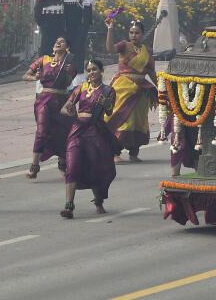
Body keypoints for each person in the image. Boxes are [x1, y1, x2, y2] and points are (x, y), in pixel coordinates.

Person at [60, 59, 120, 218]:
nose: (91, 73)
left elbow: (108, 112)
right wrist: (70, 111)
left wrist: (106, 104)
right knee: (72, 166)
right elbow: (64, 109)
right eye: (89, 70)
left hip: (95, 133)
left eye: (94, 69)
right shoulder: (81, 88)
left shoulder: (108, 91)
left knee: (94, 168)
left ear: (101, 71)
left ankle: (98, 201)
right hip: (77, 131)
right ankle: (69, 205)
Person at [22, 36, 76, 179]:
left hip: (62, 101)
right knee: (41, 131)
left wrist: (70, 71)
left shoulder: (69, 63)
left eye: (62, 41)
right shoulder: (43, 60)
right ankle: (34, 167)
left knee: (64, 133)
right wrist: (36, 78)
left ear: (67, 48)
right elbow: (25, 75)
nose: (58, 42)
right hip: (44, 100)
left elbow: (70, 81)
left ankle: (63, 164)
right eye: (56, 41)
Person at [104, 22, 158, 161]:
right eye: (131, 32)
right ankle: (115, 152)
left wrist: (160, 88)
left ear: (142, 34)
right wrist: (110, 29)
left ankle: (134, 153)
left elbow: (152, 71)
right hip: (123, 88)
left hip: (141, 90)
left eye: (137, 33)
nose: (134, 35)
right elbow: (110, 49)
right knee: (121, 119)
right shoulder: (124, 45)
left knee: (138, 122)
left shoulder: (146, 51)